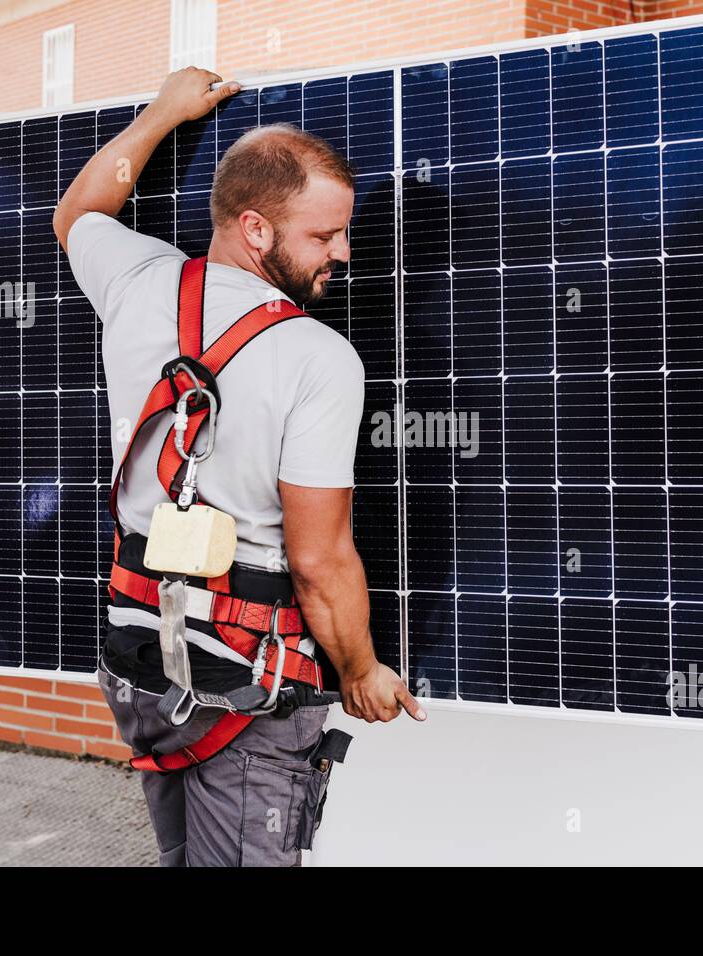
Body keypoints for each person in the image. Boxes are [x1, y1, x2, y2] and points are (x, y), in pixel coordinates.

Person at [53, 66, 425, 867]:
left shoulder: (138, 282)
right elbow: (320, 560)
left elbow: (79, 210)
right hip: (246, 692)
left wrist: (161, 112)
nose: (345, 253)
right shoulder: (319, 358)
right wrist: (362, 670)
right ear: (256, 230)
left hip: (139, 663)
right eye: (324, 237)